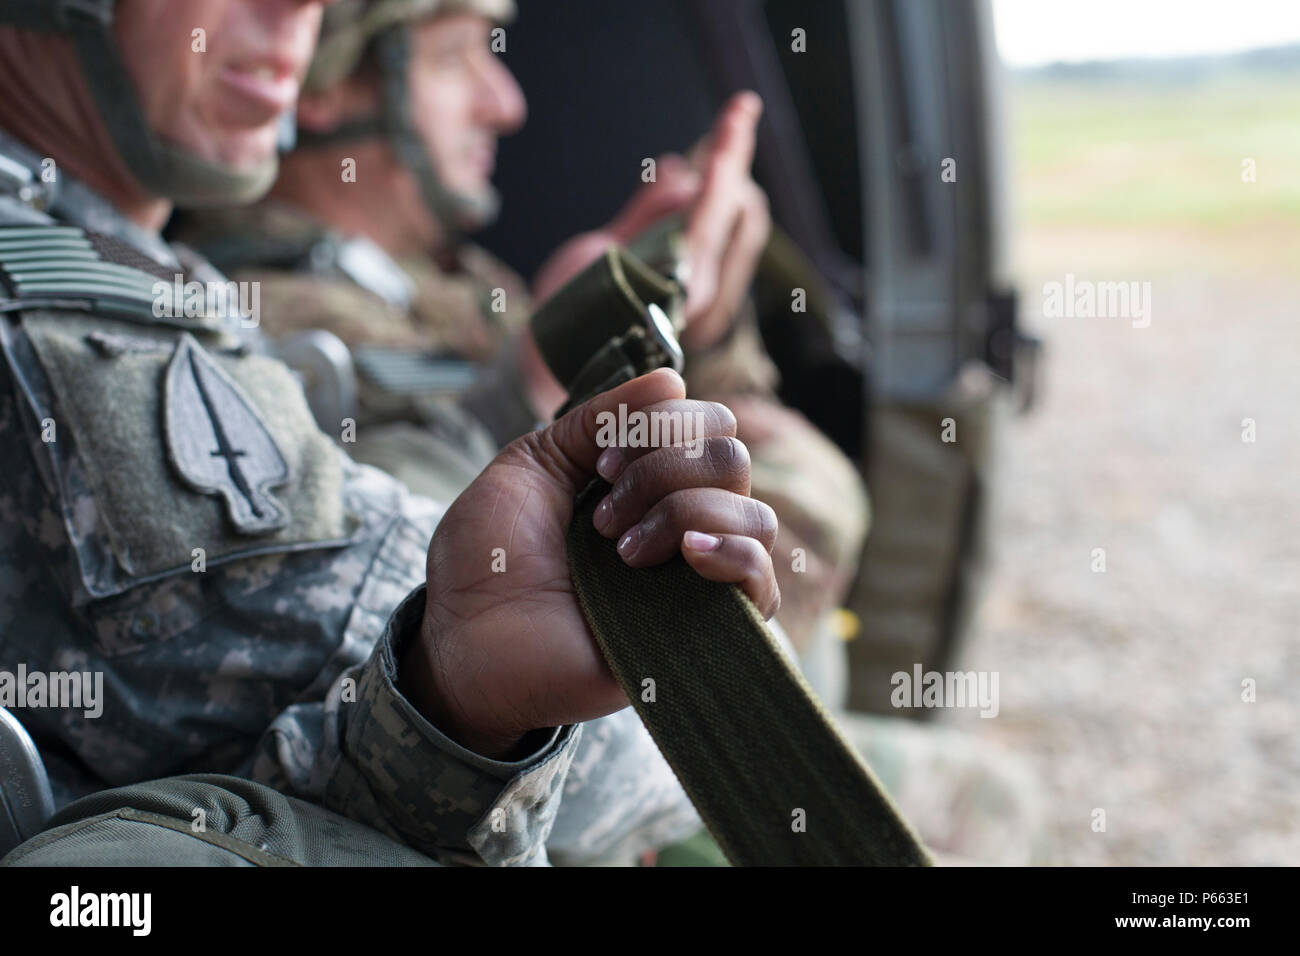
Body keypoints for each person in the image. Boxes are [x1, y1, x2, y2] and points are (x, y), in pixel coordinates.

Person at [0, 0, 780, 867]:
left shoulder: (124, 271)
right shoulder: (69, 330)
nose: (300, 7)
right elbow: (635, 751)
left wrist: (456, 696)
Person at [173, 0, 871, 665]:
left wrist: (698, 321)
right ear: (324, 86)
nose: (506, 103)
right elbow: (401, 607)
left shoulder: (459, 285)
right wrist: (547, 368)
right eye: (453, 59)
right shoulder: (248, 322)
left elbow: (721, 448)